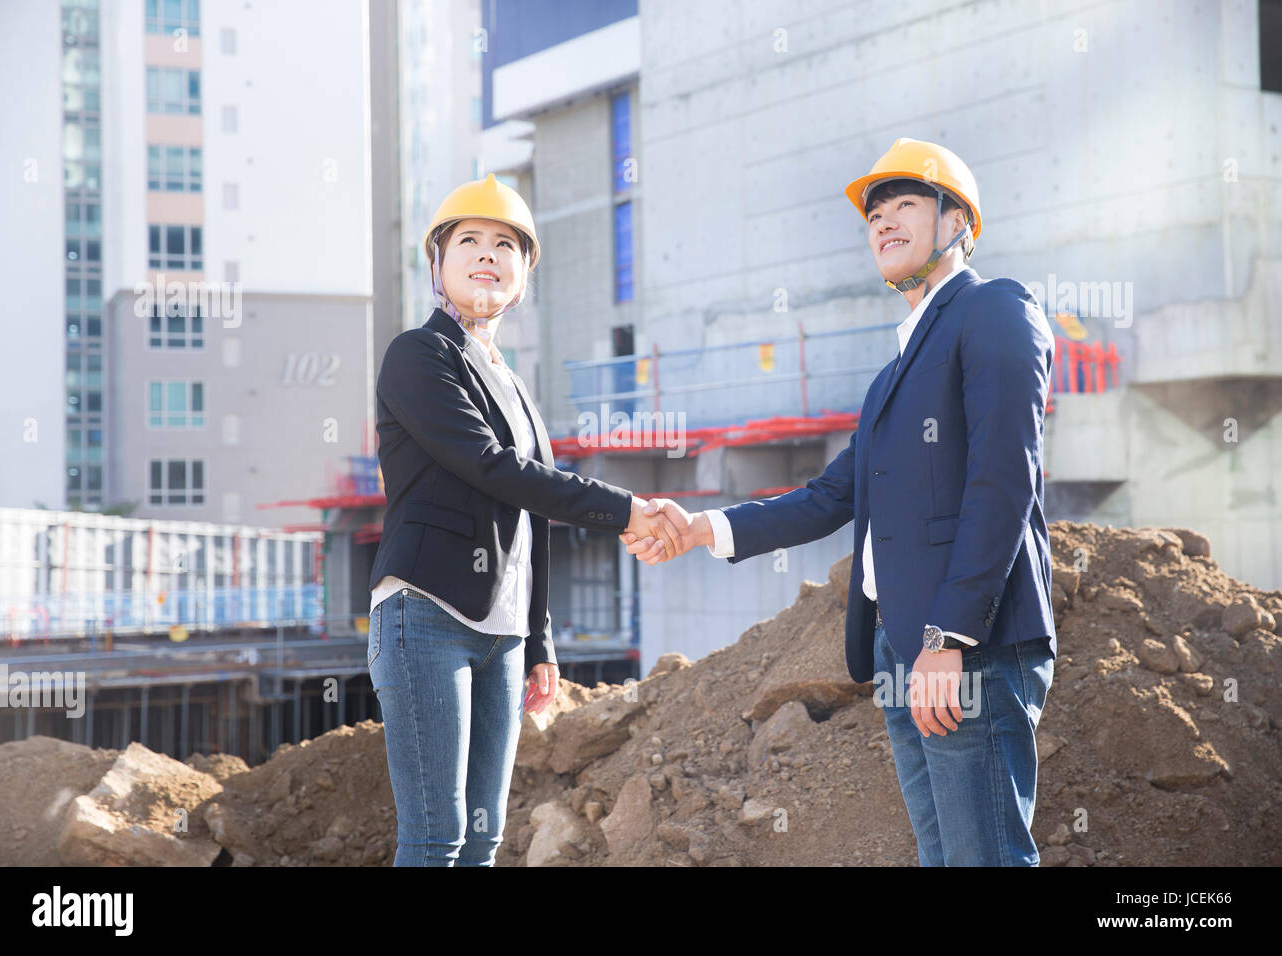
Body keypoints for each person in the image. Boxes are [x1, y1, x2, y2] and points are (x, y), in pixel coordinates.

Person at [621, 139, 1058, 866]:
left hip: (962, 648)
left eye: (906, 205)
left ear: (959, 221)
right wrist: (703, 528)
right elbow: (830, 497)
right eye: (874, 214)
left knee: (986, 859)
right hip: (899, 649)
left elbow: (1003, 481)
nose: (883, 222)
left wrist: (949, 637)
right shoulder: (891, 378)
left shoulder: (994, 310)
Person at [368, 172, 689, 866]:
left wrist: (538, 640)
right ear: (436, 264)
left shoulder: (513, 385)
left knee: (483, 838)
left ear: (522, 274)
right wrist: (629, 508)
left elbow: (529, 520)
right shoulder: (419, 356)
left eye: (506, 244)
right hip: (426, 616)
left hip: (502, 637)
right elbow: (493, 468)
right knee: (435, 835)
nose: (489, 254)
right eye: (470, 241)